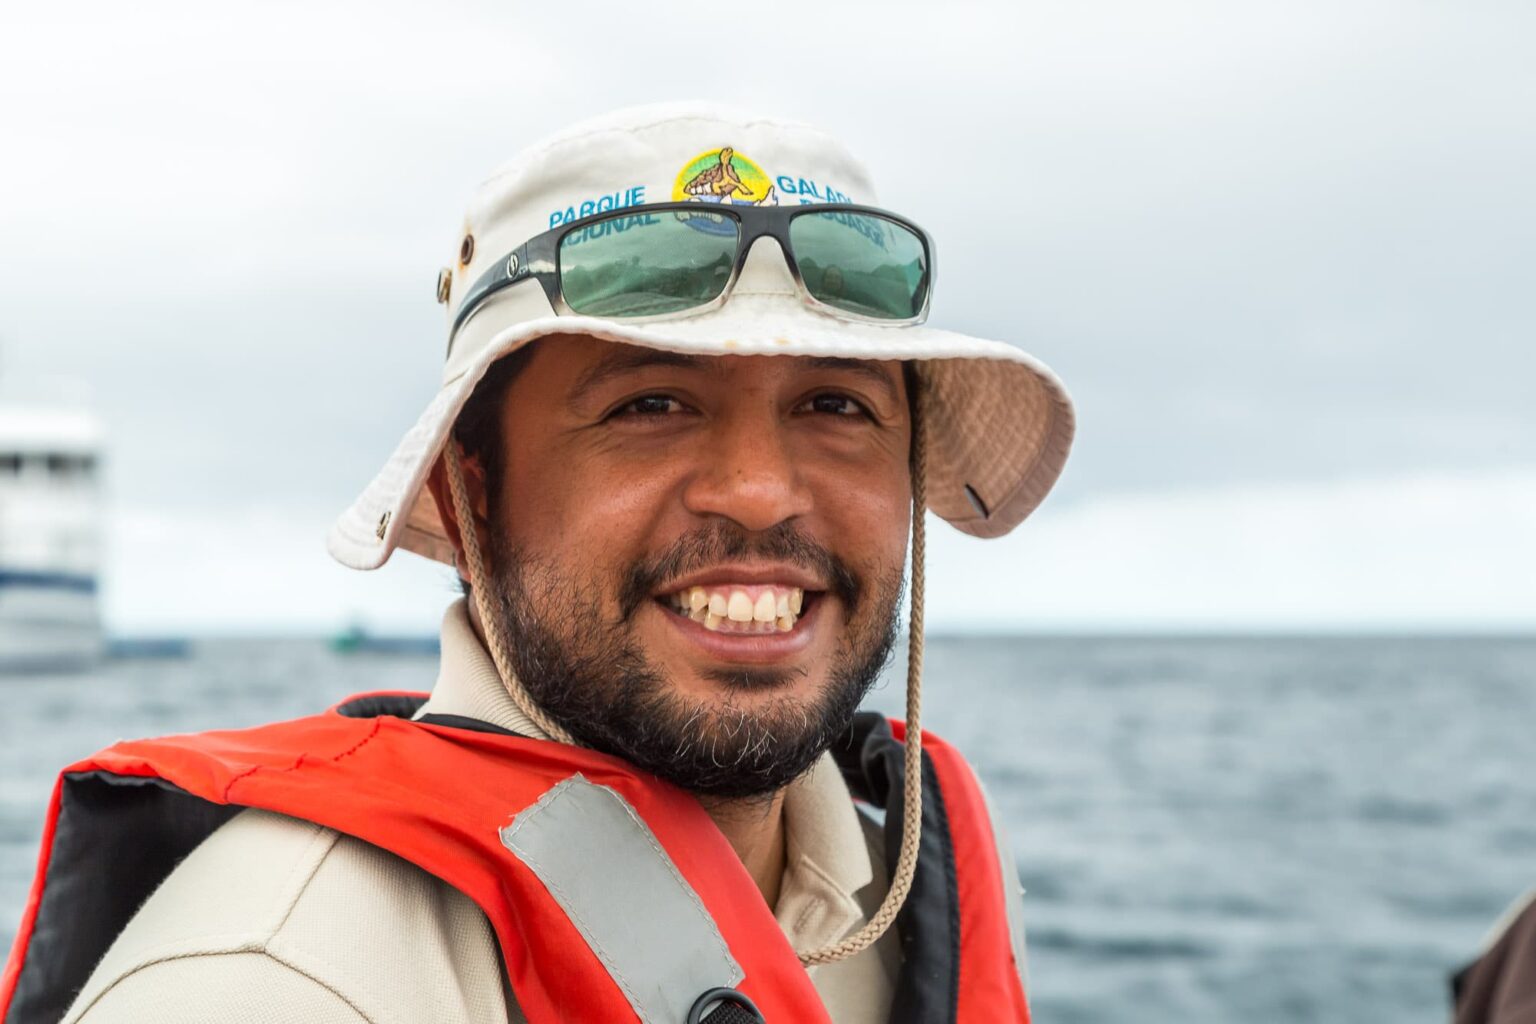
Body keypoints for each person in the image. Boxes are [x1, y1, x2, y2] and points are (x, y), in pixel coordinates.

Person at [1, 103, 1075, 1024]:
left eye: (836, 405)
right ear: (462, 499)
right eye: (650, 404)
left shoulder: (905, 885)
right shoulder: (273, 979)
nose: (759, 488)